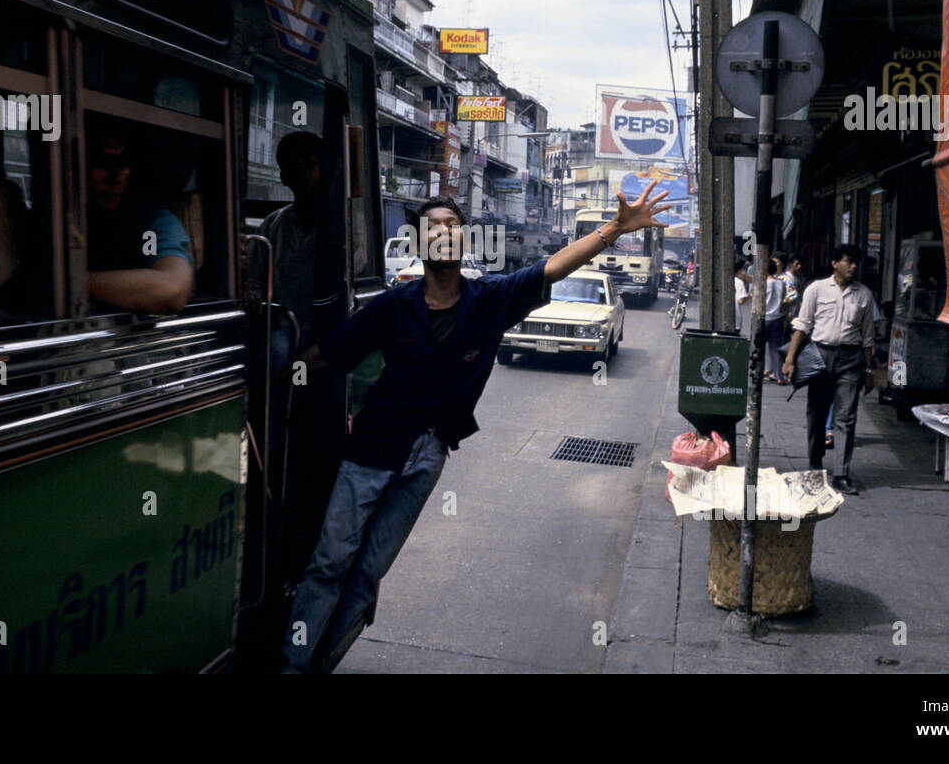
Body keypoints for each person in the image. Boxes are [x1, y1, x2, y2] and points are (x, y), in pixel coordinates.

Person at [279, 182, 675, 672]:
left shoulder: (490, 300)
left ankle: (322, 661)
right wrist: (277, 379)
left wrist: (614, 229)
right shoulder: (392, 305)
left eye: (453, 226)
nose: (444, 233)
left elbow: (553, 266)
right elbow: (329, 354)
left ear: (465, 241)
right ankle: (291, 667)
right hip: (370, 449)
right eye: (433, 227)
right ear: (419, 242)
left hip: (427, 456)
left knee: (366, 576)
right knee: (329, 564)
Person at [782, 244, 876, 495]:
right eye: (848, 261)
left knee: (846, 417)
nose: (853, 266)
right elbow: (802, 326)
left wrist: (869, 372)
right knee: (816, 411)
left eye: (856, 262)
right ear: (835, 263)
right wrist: (790, 359)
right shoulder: (816, 289)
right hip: (820, 356)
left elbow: (868, 338)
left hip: (850, 359)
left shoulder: (864, 295)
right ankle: (814, 464)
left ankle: (842, 474)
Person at [86, 131, 194, 314]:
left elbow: (170, 289)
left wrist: (69, 284)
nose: (115, 175)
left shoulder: (149, 227)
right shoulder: (56, 224)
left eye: (123, 164)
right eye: (102, 163)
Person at [246, 131, 325, 365]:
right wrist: (254, 298)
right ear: (283, 177)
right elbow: (254, 280)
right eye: (293, 167)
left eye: (309, 164)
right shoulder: (272, 225)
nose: (302, 172)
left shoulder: (343, 223)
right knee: (275, 352)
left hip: (328, 328)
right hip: (283, 327)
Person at [762, 258, 788, 384]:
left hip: (765, 317)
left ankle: (758, 372)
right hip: (778, 317)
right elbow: (783, 299)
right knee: (776, 348)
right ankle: (779, 376)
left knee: (759, 347)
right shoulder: (780, 283)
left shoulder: (764, 283)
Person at [733, 258, 752, 335]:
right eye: (745, 268)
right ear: (740, 270)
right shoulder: (739, 282)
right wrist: (750, 295)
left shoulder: (733, 280)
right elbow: (740, 300)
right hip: (737, 319)